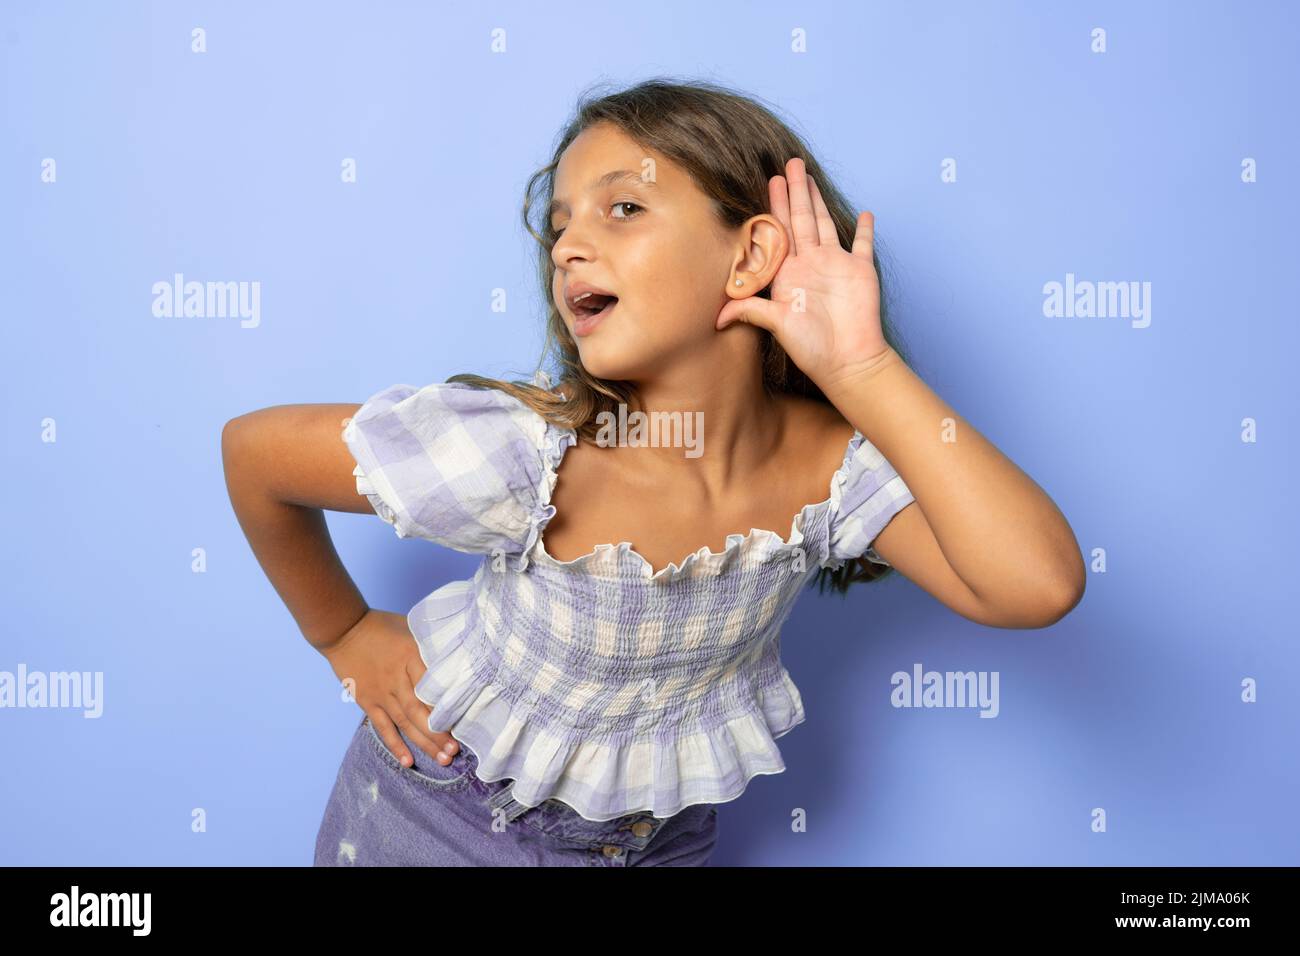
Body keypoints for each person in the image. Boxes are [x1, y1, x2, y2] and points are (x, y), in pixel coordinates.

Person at [221, 78, 1085, 866]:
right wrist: (341, 634)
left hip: (659, 846)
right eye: (560, 228)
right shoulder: (527, 452)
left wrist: (862, 371)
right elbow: (254, 453)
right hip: (438, 815)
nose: (567, 249)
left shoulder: (830, 469)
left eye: (623, 208)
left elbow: (1037, 584)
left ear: (748, 258)